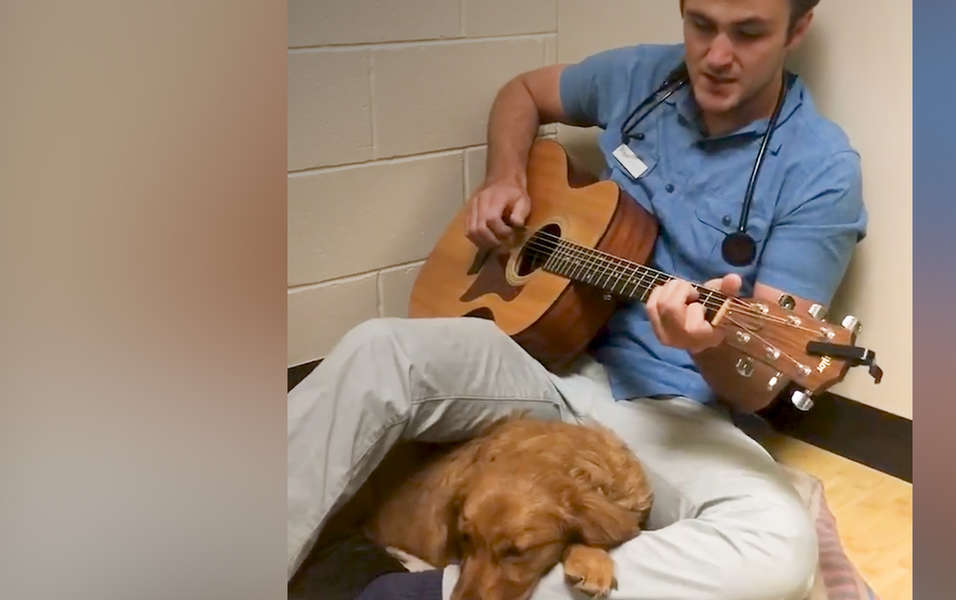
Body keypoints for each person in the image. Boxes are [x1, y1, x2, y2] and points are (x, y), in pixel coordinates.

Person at [288, 0, 867, 598]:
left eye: (747, 33)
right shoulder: (641, 77)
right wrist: (505, 177)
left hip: (668, 412)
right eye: (701, 25)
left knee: (777, 546)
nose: (717, 56)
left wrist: (705, 346)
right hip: (542, 359)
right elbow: (521, 93)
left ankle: (418, 592)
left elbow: (758, 386)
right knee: (380, 348)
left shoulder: (820, 169)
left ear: (797, 29)